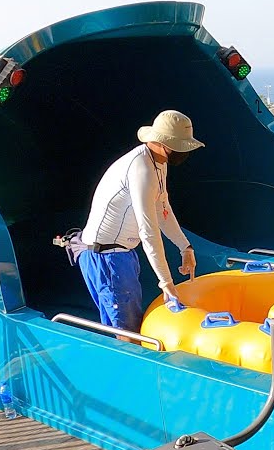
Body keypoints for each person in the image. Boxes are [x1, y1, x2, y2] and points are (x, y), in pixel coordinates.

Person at [78, 110, 200, 333]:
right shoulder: (141, 168)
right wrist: (166, 283)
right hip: (106, 257)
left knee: (129, 323)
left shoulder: (159, 162)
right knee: (126, 330)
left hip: (123, 254)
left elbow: (163, 208)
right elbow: (149, 231)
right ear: (163, 143)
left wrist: (185, 247)